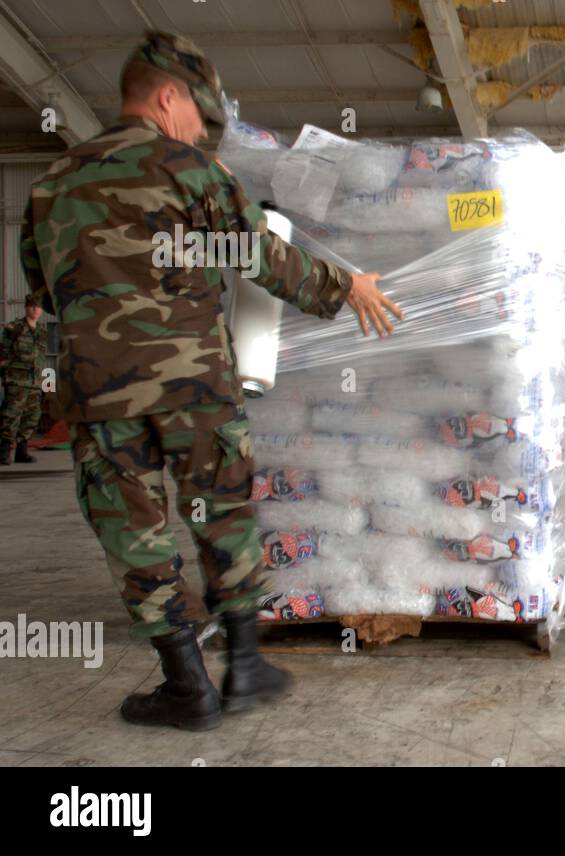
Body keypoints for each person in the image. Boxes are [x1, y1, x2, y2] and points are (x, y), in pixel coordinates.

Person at [19, 31, 403, 731]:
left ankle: (186, 686)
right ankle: (247, 666)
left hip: (100, 395)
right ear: (168, 98)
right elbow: (263, 260)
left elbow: (40, 284)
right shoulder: (190, 170)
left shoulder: (52, 183)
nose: (204, 132)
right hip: (195, 386)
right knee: (221, 513)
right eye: (200, 116)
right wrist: (348, 287)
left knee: (134, 534)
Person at [0, 294, 45, 465]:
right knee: (10, 415)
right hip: (16, 381)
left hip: (35, 382)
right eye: (32, 306)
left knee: (32, 416)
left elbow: (43, 358)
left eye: (38, 307)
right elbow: (2, 353)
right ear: (26, 307)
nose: (35, 309)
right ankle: (4, 451)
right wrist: (5, 375)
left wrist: (48, 385)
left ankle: (22, 451)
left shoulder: (42, 331)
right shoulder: (14, 328)